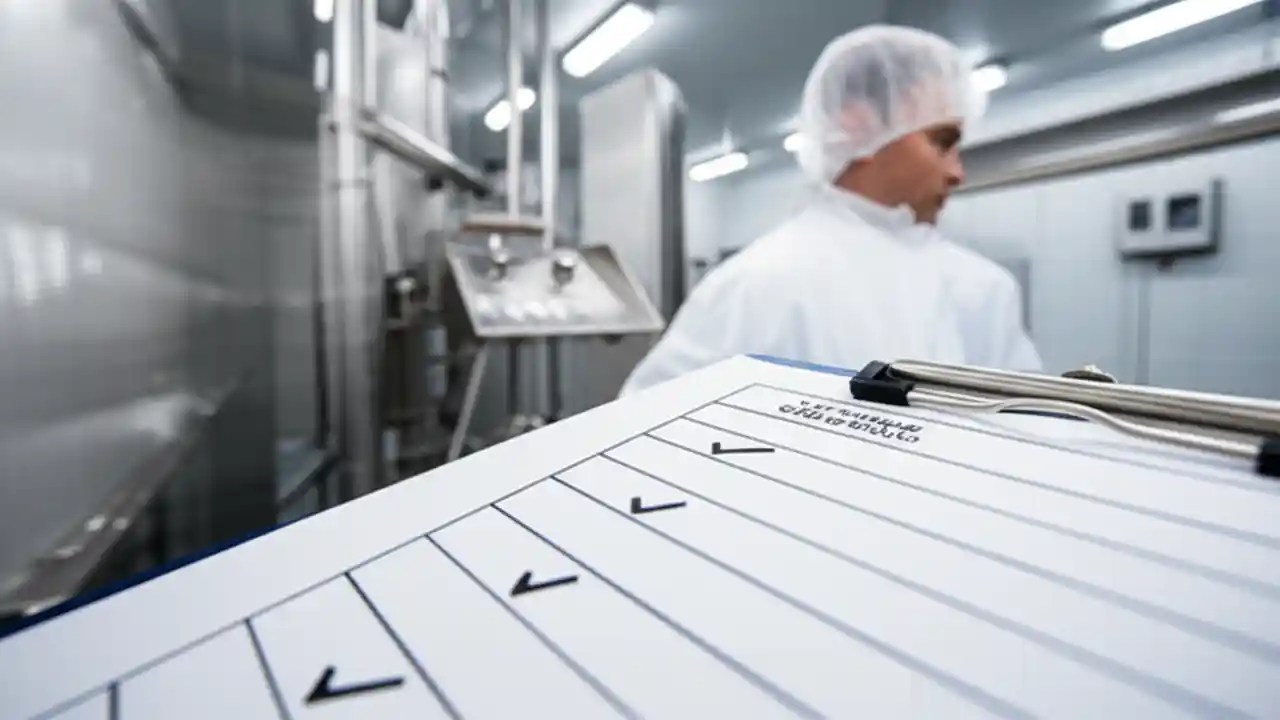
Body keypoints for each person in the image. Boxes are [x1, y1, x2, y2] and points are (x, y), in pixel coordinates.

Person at [619, 24, 1041, 396]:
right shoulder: (758, 287)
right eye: (942, 141)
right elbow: (644, 428)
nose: (956, 172)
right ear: (859, 123)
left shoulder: (985, 290)